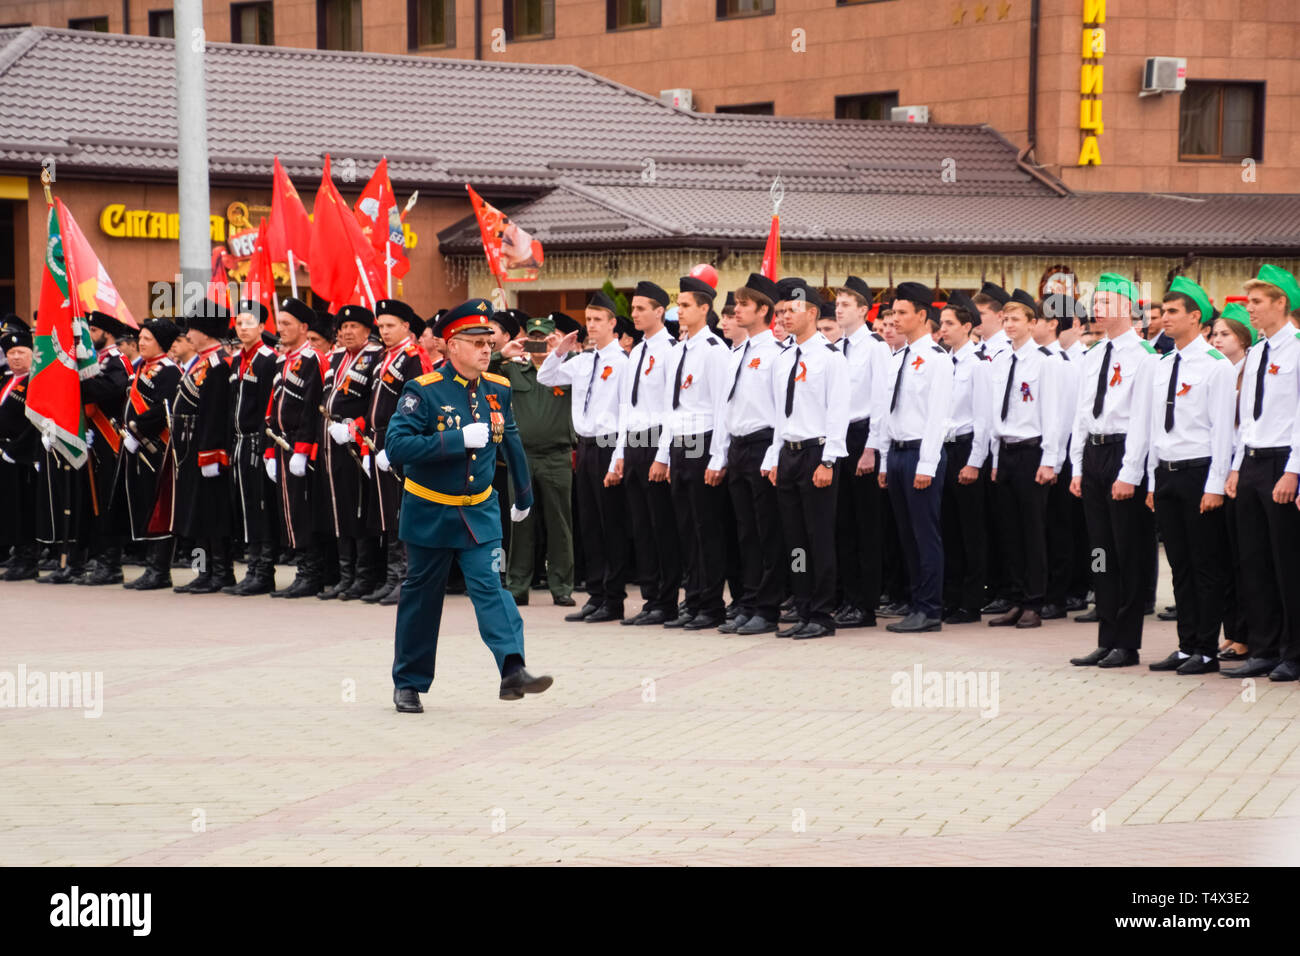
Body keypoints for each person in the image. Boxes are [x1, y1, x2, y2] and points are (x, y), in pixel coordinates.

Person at [387, 298, 549, 712]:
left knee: (491, 588)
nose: (486, 348)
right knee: (422, 600)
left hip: (479, 510)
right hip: (430, 510)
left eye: (488, 341)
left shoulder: (498, 388)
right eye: (475, 341)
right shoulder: (421, 391)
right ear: (450, 345)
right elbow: (397, 446)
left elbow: (511, 439)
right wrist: (456, 441)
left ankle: (513, 668)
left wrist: (523, 495)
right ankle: (409, 682)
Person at [1144, 277, 1235, 675]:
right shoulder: (1163, 365)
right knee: (1178, 565)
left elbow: (1222, 433)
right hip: (1167, 473)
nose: (1164, 318)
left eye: (1172, 312)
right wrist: (1150, 480)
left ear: (1195, 317)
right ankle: (1185, 646)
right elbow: (1153, 428)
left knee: (1205, 565)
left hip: (1199, 473)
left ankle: (1207, 648)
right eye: (1163, 312)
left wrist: (1215, 485)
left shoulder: (1216, 367)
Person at [1068, 274, 1158, 668]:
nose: (1097, 308)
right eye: (1096, 301)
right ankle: (1106, 635)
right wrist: (1076, 465)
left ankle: (1127, 640)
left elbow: (1142, 419)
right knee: (1100, 550)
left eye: (1106, 301)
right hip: (1094, 454)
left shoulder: (1144, 357)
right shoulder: (1091, 354)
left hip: (1124, 453)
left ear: (1128, 307)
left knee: (1128, 550)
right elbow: (1082, 414)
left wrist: (1131, 472)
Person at [1223, 265, 1300, 681]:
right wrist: (1236, 466)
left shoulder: (1298, 349)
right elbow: (1246, 418)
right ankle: (1265, 647)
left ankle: (1294, 651)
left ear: (1280, 303)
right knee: (1253, 560)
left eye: (1256, 302)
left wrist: (1293, 471)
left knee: (1286, 561)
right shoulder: (1256, 354)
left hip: (1281, 462)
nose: (1248, 309)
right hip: (1252, 461)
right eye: (1248, 302)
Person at [764, 278, 848, 639]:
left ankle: (822, 612)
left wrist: (829, 461)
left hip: (817, 452)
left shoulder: (830, 358)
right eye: (780, 311)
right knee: (795, 539)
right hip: (790, 453)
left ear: (812, 312)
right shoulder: (782, 358)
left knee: (819, 537)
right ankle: (802, 606)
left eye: (790, 311)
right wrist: (773, 457)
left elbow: (837, 412)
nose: (783, 317)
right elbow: (778, 416)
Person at [538, 292, 629, 623]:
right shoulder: (584, 360)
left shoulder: (623, 363)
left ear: (612, 324)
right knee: (589, 523)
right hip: (586, 446)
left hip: (609, 444)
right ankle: (596, 594)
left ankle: (614, 597)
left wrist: (621, 455)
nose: (591, 326)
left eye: (597, 320)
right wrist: (560, 350)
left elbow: (626, 412)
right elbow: (545, 377)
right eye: (588, 320)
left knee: (611, 524)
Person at [987, 292, 1070, 629]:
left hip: (1032, 451)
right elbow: (995, 412)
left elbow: (1053, 413)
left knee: (1033, 530)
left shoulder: (1046, 361)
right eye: (1005, 320)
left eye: (1016, 319)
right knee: (1010, 531)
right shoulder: (1002, 360)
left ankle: (1036, 601)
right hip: (1006, 450)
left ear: (1033, 324)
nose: (1009, 325)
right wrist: (994, 458)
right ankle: (1017, 598)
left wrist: (1050, 460)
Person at [878, 282, 953, 633]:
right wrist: (883, 460)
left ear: (922, 315)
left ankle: (930, 609)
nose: (895, 319)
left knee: (925, 534)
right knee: (905, 534)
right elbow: (887, 413)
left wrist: (927, 464)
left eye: (902, 313)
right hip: (897, 452)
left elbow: (937, 416)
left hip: (921, 454)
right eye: (893, 312)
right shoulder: (898, 357)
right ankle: (914, 603)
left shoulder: (937, 359)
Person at [658, 274, 731, 630]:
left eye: (686, 305)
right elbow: (670, 409)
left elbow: (721, 408)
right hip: (680, 446)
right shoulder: (678, 350)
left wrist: (718, 457)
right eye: (679, 305)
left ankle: (712, 604)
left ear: (705, 308)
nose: (680, 311)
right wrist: (666, 455)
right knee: (686, 528)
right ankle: (695, 598)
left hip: (703, 444)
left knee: (707, 529)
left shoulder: (715, 350)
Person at [716, 273, 786, 636]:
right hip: (739, 446)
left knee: (767, 532)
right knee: (744, 532)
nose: (737, 310)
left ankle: (768, 607)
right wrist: (720, 455)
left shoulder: (775, 354)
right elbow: (726, 409)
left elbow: (780, 412)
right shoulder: (736, 354)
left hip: (764, 444)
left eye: (744, 304)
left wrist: (773, 456)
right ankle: (747, 600)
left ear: (763, 310)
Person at [609, 281, 679, 626]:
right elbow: (626, 407)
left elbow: (671, 407)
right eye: (633, 308)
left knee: (661, 524)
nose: (634, 314)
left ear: (659, 312)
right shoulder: (636, 351)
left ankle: (667, 600)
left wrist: (663, 455)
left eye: (640, 308)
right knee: (641, 526)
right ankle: (651, 597)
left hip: (657, 442)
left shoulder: (670, 349)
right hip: (635, 442)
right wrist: (619, 453)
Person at [496, 314, 577, 607]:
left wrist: (564, 350)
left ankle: (562, 586)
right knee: (521, 522)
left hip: (557, 455)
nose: (539, 344)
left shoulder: (568, 369)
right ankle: (518, 586)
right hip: (522, 457)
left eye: (545, 338)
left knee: (560, 524)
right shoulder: (513, 370)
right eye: (534, 338)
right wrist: (502, 353)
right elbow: (481, 373)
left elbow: (597, 368)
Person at [833, 276, 891, 628]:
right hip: (839, 438)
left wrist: (871, 449)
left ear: (863, 310)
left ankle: (865, 605)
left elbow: (881, 403)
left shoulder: (875, 347)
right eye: (837, 305)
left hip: (862, 437)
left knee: (865, 526)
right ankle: (846, 597)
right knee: (841, 525)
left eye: (845, 305)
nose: (839, 310)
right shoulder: (835, 347)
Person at [318, 304, 384, 601]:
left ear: (368, 330)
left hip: (357, 446)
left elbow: (373, 403)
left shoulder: (374, 357)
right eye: (343, 328)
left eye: (353, 327)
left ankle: (364, 575)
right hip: (332, 445)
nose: (346, 332)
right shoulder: (335, 358)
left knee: (358, 509)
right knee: (338, 508)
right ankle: (346, 576)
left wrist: (355, 429)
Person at [170, 302, 235, 594]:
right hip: (189, 446)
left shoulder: (219, 364)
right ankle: (202, 571)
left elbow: (214, 413)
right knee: (195, 515)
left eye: (193, 329)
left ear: (206, 332)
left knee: (211, 515)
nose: (188, 335)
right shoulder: (201, 360)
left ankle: (221, 572)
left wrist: (210, 452)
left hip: (205, 447)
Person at [266, 297, 328, 598]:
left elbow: (311, 406)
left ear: (304, 327)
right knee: (287, 511)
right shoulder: (283, 360)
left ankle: (312, 572)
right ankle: (303, 568)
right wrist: (268, 450)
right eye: (280, 324)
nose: (282, 329)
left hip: (300, 446)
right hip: (280, 444)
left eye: (288, 324)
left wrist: (302, 448)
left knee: (303, 511)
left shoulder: (312, 359)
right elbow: (272, 404)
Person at [117, 319, 182, 591]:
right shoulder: (141, 368)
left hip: (157, 448)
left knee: (158, 507)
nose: (141, 343)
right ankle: (149, 565)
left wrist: (138, 431)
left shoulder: (169, 371)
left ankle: (160, 569)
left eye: (147, 338)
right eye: (140, 338)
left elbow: (163, 410)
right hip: (136, 447)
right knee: (142, 504)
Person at [937, 291, 990, 624]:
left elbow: (984, 418)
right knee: (949, 529)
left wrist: (974, 461)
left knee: (971, 530)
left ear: (967, 326)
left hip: (967, 449)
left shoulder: (977, 365)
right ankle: (951, 596)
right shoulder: (944, 361)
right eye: (941, 323)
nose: (943, 329)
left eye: (949, 323)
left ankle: (972, 601)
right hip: (945, 449)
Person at [73, 311, 134, 586]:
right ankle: (96, 557)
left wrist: (80, 379)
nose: (89, 336)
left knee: (108, 501)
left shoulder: (116, 362)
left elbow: (108, 390)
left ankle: (111, 562)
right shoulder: (96, 361)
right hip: (93, 439)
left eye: (93, 330)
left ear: (106, 334)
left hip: (111, 440)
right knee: (91, 499)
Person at [224, 300, 280, 595]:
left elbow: (268, 407)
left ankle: (264, 571)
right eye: (239, 323)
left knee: (260, 506)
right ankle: (252, 566)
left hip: (257, 442)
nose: (242, 328)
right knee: (244, 507)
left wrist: (265, 443)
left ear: (261, 327)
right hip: (239, 442)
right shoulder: (237, 360)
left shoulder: (267, 359)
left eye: (248, 323)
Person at [1209, 304, 1255, 662]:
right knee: (1223, 557)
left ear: (1242, 339)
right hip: (1218, 473)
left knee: (1245, 559)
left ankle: (1247, 634)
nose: (1218, 340)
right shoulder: (1216, 371)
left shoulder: (1249, 373)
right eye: (1215, 334)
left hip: (1242, 473)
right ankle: (1233, 630)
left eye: (1225, 334)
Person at [0, 322, 40, 580]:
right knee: (7, 508)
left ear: (31, 355)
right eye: (11, 353)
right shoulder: (5, 380)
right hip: (3, 453)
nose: (15, 357)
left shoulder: (37, 382)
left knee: (24, 507)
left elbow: (36, 422)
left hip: (22, 454)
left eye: (21, 353)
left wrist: (16, 449)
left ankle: (28, 557)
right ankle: (15, 552)